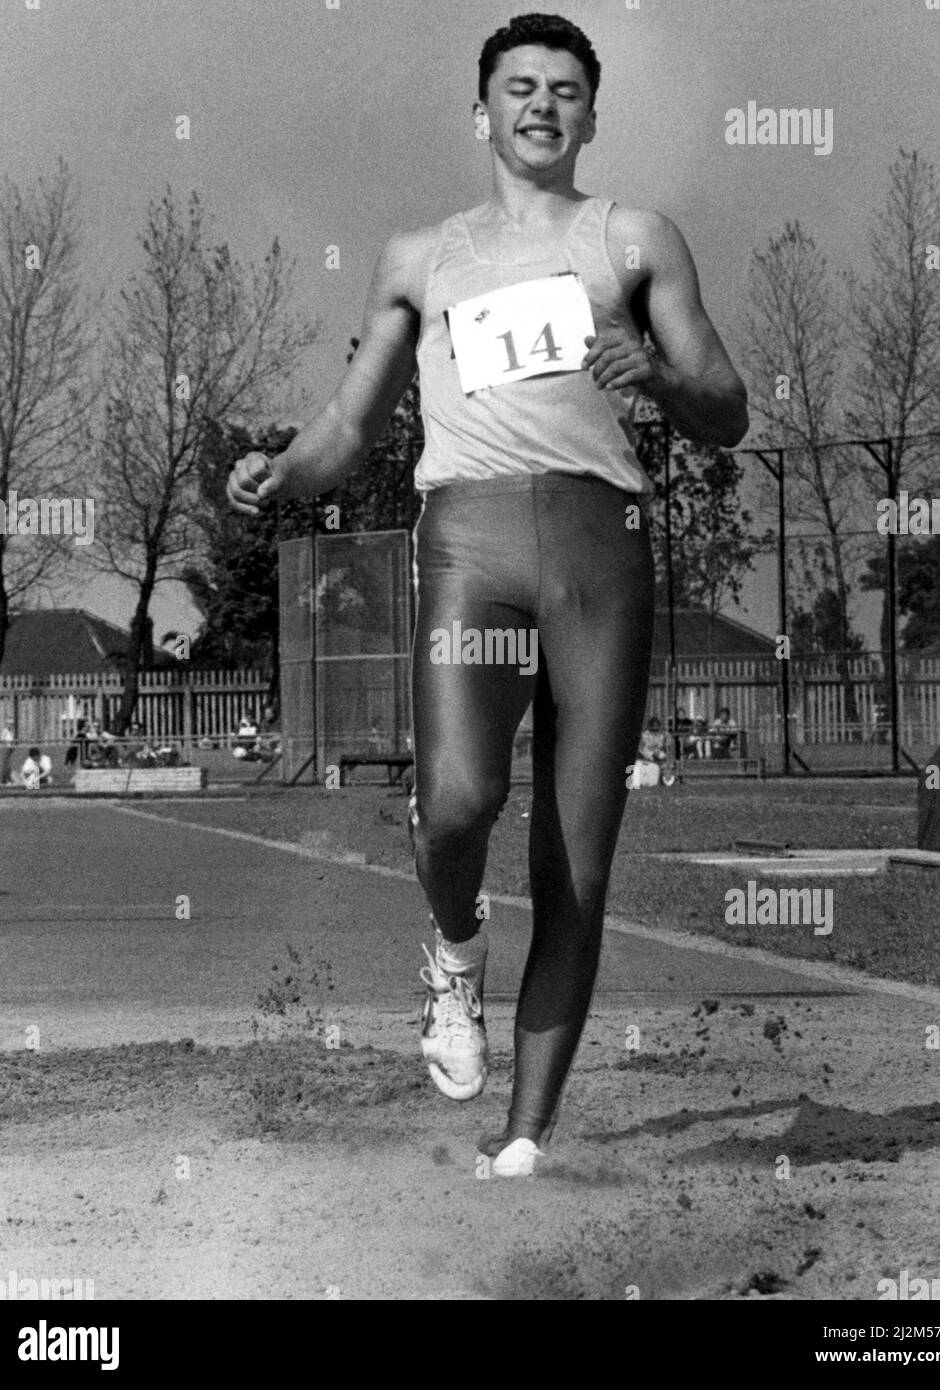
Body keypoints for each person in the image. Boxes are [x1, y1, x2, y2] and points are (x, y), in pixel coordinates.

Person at [227, 13, 747, 1175]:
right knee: (458, 800)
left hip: (601, 552)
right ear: (483, 112)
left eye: (566, 89)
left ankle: (524, 1139)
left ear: (594, 115)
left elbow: (730, 407)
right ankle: (454, 956)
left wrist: (658, 377)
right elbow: (347, 427)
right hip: (469, 544)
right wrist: (278, 473)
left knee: (580, 857)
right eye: (519, 87)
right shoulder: (420, 257)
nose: (542, 106)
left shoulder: (635, 239)